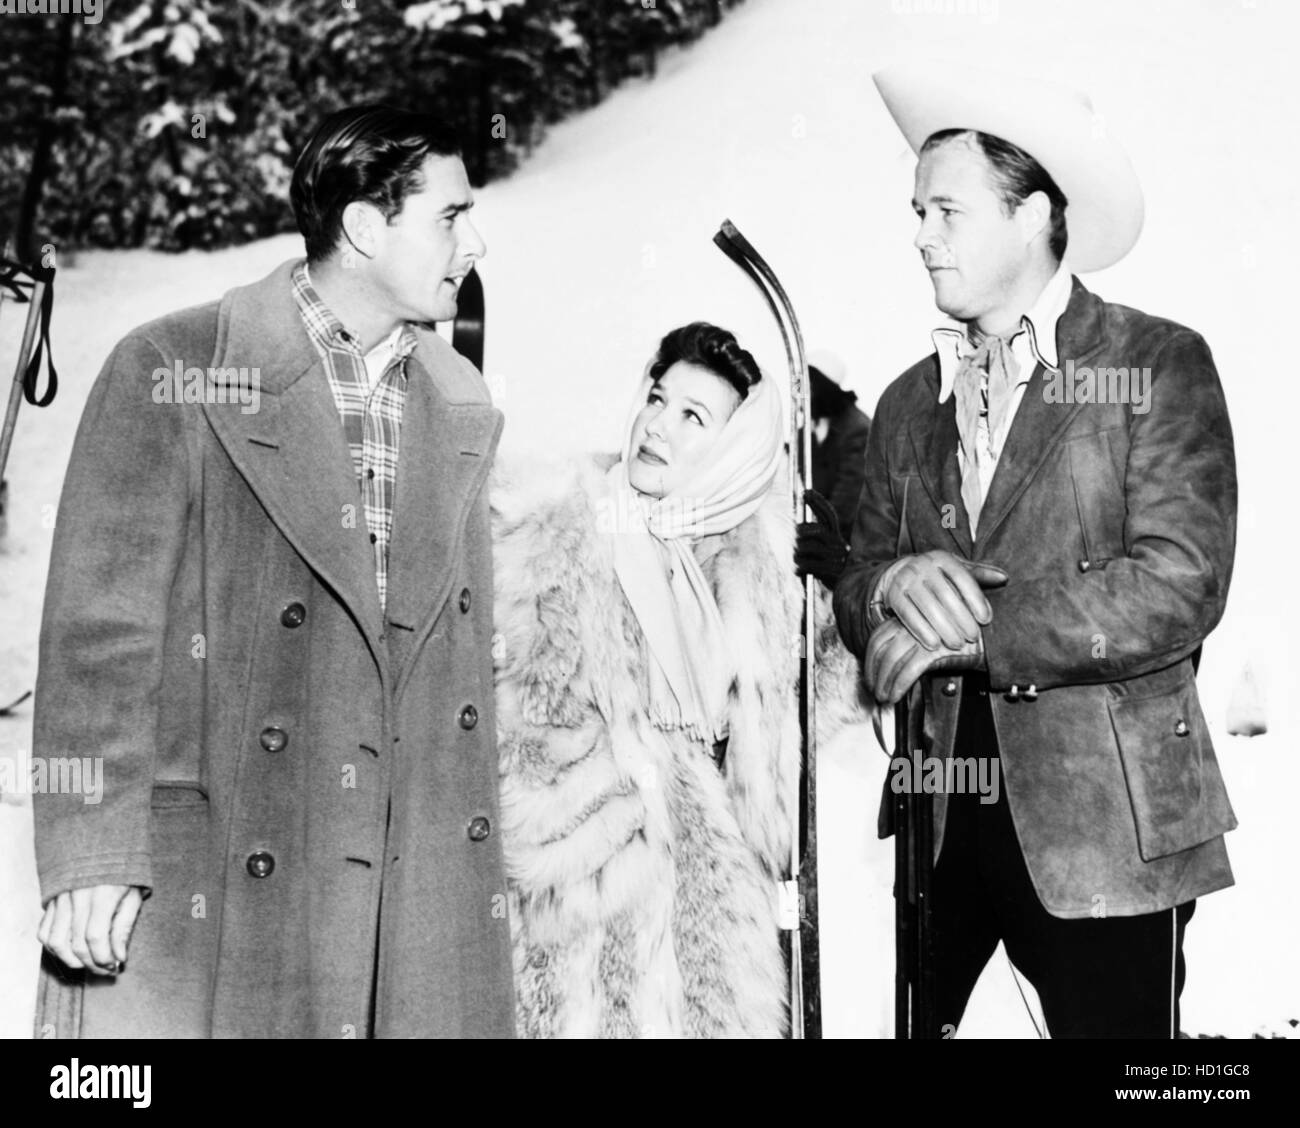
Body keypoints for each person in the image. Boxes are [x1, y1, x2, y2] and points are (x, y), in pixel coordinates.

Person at [31, 105, 515, 1037]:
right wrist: (92, 848)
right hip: (226, 862)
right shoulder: (177, 366)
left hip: (402, 890)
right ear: (366, 229)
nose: (474, 241)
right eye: (451, 216)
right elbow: (101, 631)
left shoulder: (462, 402)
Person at [833, 64, 1238, 1038]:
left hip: (1107, 829)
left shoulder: (1154, 366)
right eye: (916, 211)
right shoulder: (903, 402)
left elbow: (1179, 585)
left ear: (1033, 216)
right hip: (936, 819)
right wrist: (890, 584)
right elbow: (854, 587)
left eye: (945, 211)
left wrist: (973, 632)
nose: (920, 235)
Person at [491, 323, 803, 1037]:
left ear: (735, 452)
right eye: (658, 399)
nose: (656, 425)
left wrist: (837, 596)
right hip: (591, 942)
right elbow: (518, 749)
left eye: (693, 417)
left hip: (712, 940)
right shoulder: (558, 532)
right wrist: (643, 805)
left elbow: (790, 736)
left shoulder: (746, 564)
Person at [796, 353, 873, 588]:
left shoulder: (857, 430)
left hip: (847, 552)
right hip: (811, 539)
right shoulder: (806, 430)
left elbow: (846, 503)